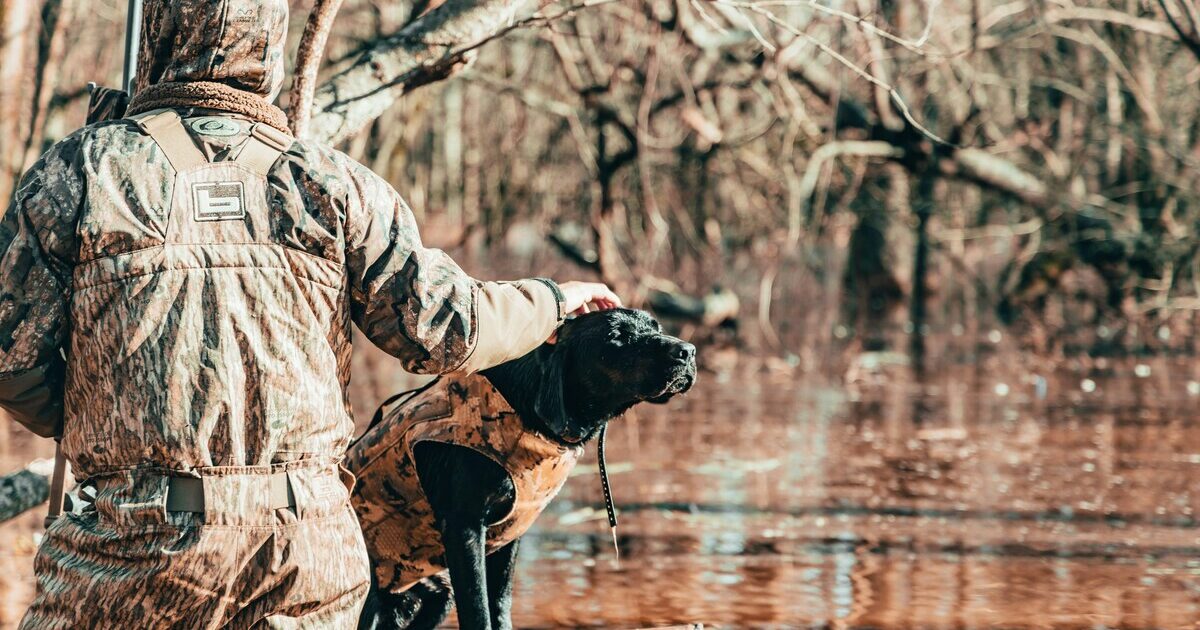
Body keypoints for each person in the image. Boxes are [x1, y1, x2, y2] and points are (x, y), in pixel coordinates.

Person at [0, 0, 618, 627]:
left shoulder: (80, 170)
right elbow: (449, 329)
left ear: (157, 33)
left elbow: (8, 364)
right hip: (303, 554)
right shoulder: (331, 182)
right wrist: (553, 301)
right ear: (271, 42)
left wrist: (90, 417)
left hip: (130, 543)